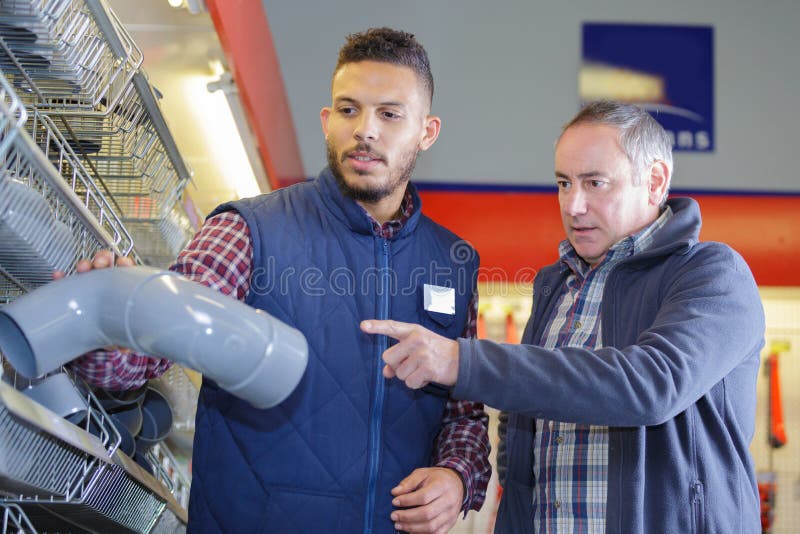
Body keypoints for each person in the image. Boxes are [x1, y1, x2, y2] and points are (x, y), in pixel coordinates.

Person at [67, 28, 490, 533]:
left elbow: (465, 414)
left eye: (390, 114)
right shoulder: (249, 232)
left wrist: (456, 475)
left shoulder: (452, 263)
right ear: (327, 121)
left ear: (427, 131)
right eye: (349, 109)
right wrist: (102, 315)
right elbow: (133, 360)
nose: (366, 130)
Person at [362, 100, 766, 533]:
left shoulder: (714, 275)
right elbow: (520, 445)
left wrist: (463, 361)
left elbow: (651, 385)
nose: (573, 205)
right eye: (563, 183)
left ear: (655, 181)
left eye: (595, 183)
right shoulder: (556, 284)